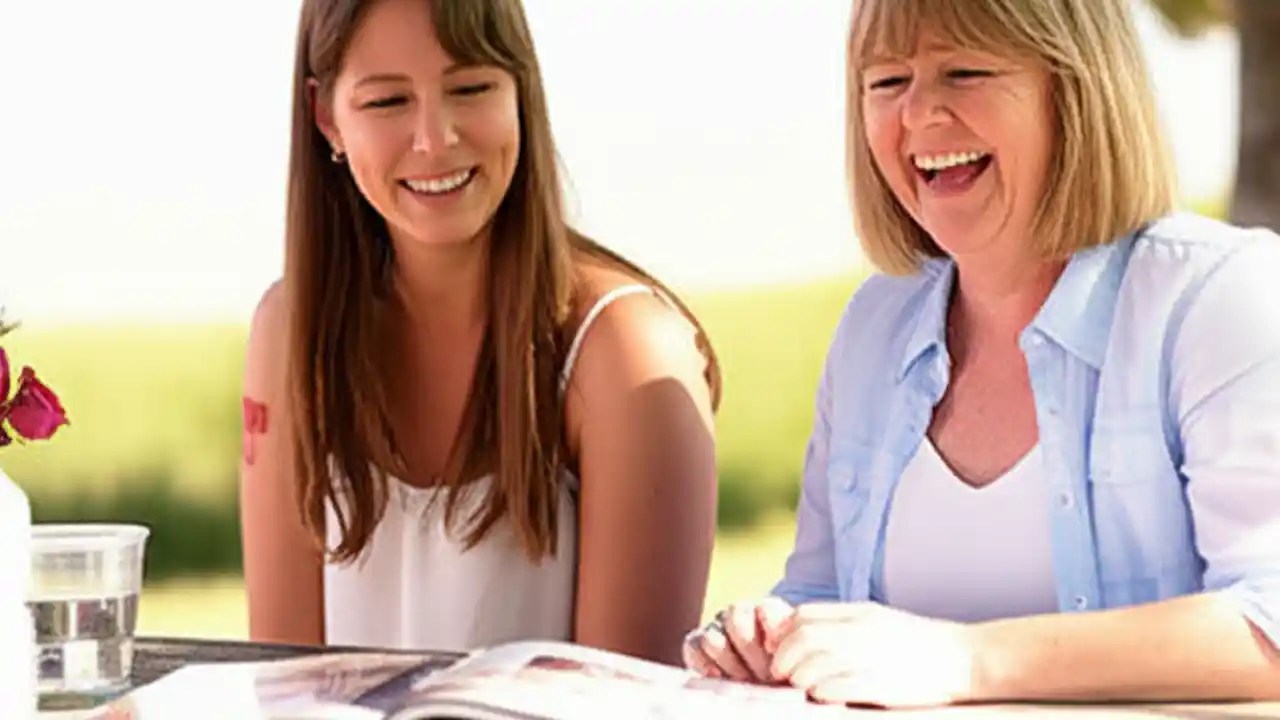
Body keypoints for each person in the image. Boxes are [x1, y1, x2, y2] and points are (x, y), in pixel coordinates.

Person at [685, 0, 1280, 708]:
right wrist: (763, 639)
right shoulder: (874, 327)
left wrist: (970, 659)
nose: (918, 116)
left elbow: (1270, 617)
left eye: (964, 71)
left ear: (1077, 89)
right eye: (886, 82)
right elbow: (819, 594)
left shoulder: (1216, 295)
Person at [240, 0, 721, 667]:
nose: (434, 139)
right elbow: (277, 687)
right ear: (327, 118)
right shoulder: (290, 334)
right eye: (386, 102)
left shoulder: (625, 354)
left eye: (470, 88)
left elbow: (629, 702)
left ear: (520, 91)